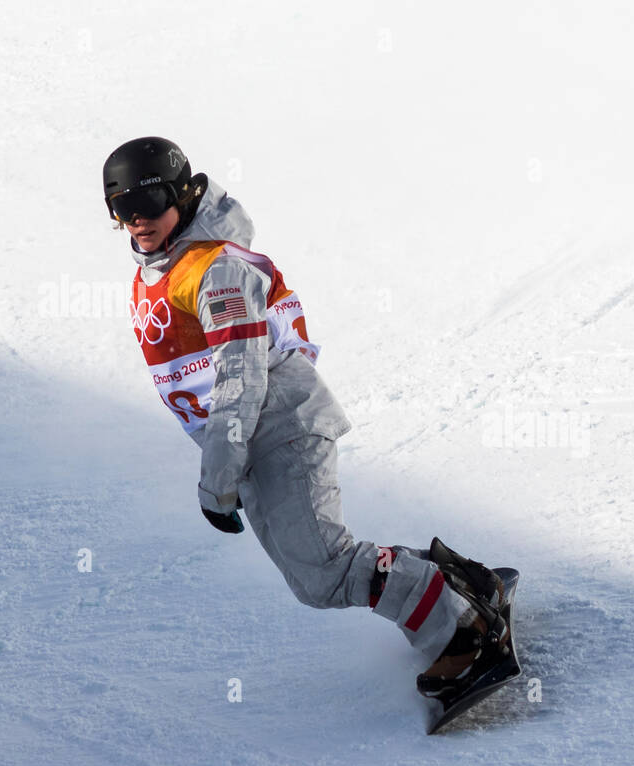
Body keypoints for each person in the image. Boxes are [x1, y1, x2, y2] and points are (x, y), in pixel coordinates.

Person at [102, 135, 513, 705]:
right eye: (121, 210)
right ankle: (465, 587)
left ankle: (467, 631)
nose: (136, 222)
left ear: (182, 195)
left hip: (279, 424)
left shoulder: (214, 270)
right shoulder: (165, 267)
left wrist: (217, 477)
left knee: (326, 569)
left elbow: (239, 377)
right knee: (314, 578)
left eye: (148, 206)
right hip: (254, 436)